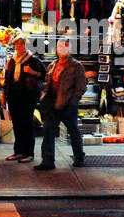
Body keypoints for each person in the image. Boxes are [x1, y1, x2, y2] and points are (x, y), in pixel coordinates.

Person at [36, 37, 87, 171]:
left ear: (69, 49)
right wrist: (44, 98)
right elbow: (48, 84)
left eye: (63, 47)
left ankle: (79, 157)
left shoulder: (76, 66)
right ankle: (47, 161)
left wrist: (73, 102)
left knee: (73, 131)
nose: (60, 50)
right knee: (48, 131)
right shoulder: (53, 65)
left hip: (68, 104)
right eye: (59, 47)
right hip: (53, 104)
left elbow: (81, 86)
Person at [2, 36, 44, 162]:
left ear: (26, 45)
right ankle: (18, 151)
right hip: (14, 96)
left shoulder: (33, 61)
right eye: (16, 45)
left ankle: (28, 153)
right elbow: (7, 80)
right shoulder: (12, 61)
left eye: (21, 44)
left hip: (27, 96)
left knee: (26, 123)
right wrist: (4, 96)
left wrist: (32, 72)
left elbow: (44, 75)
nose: (18, 47)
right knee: (16, 124)